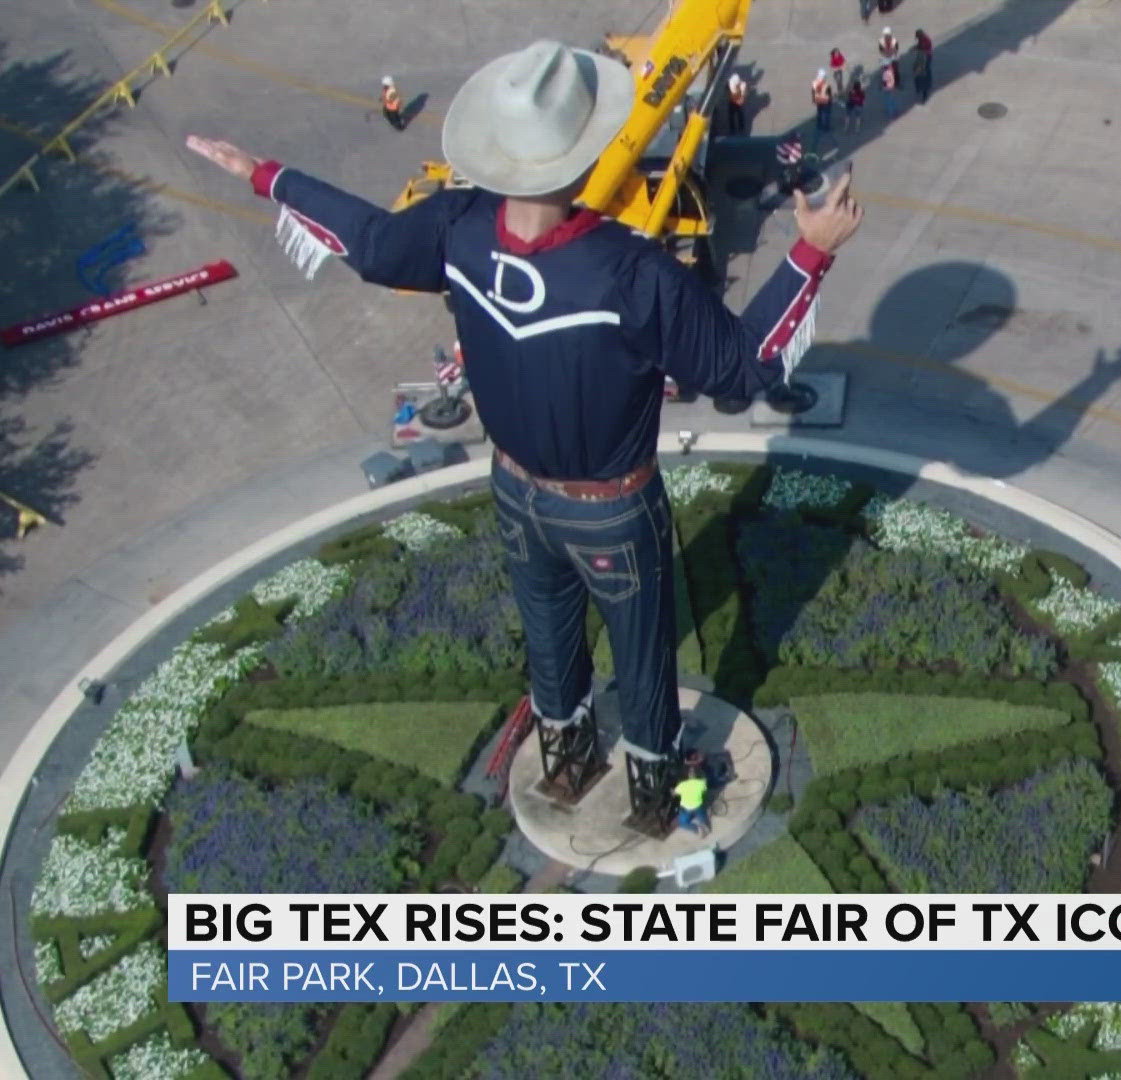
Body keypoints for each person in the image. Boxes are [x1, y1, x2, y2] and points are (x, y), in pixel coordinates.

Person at [185, 40, 863, 812]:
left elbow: (371, 244)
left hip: (513, 490)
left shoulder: (457, 226)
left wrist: (266, 175)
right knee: (641, 656)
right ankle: (653, 796)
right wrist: (812, 250)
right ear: (596, 149)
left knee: (550, 641)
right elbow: (743, 369)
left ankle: (567, 766)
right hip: (610, 507)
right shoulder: (633, 273)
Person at [675, 752, 710, 837]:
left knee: (682, 822)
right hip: (698, 805)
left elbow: (676, 792)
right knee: (702, 815)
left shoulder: (682, 785)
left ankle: (696, 829)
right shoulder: (700, 783)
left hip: (687, 808)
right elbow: (704, 789)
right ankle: (704, 825)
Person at [811, 69, 835, 146]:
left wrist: (814, 100)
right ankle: (826, 127)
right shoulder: (826, 85)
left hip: (818, 100)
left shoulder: (814, 83)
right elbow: (829, 95)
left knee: (819, 113)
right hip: (825, 101)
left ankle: (819, 125)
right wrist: (831, 100)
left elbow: (813, 92)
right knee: (826, 114)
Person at [911, 30, 933, 104]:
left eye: (918, 37)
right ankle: (918, 88)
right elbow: (919, 46)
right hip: (921, 57)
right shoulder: (921, 39)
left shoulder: (927, 40)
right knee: (917, 74)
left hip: (926, 58)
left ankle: (924, 95)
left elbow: (928, 50)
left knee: (924, 75)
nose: (917, 39)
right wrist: (916, 48)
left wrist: (919, 50)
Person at [726, 71, 748, 135]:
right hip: (734, 99)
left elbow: (742, 94)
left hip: (735, 100)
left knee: (732, 114)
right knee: (738, 113)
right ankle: (739, 127)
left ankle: (734, 128)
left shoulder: (741, 85)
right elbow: (734, 93)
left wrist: (741, 99)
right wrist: (739, 100)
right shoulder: (734, 84)